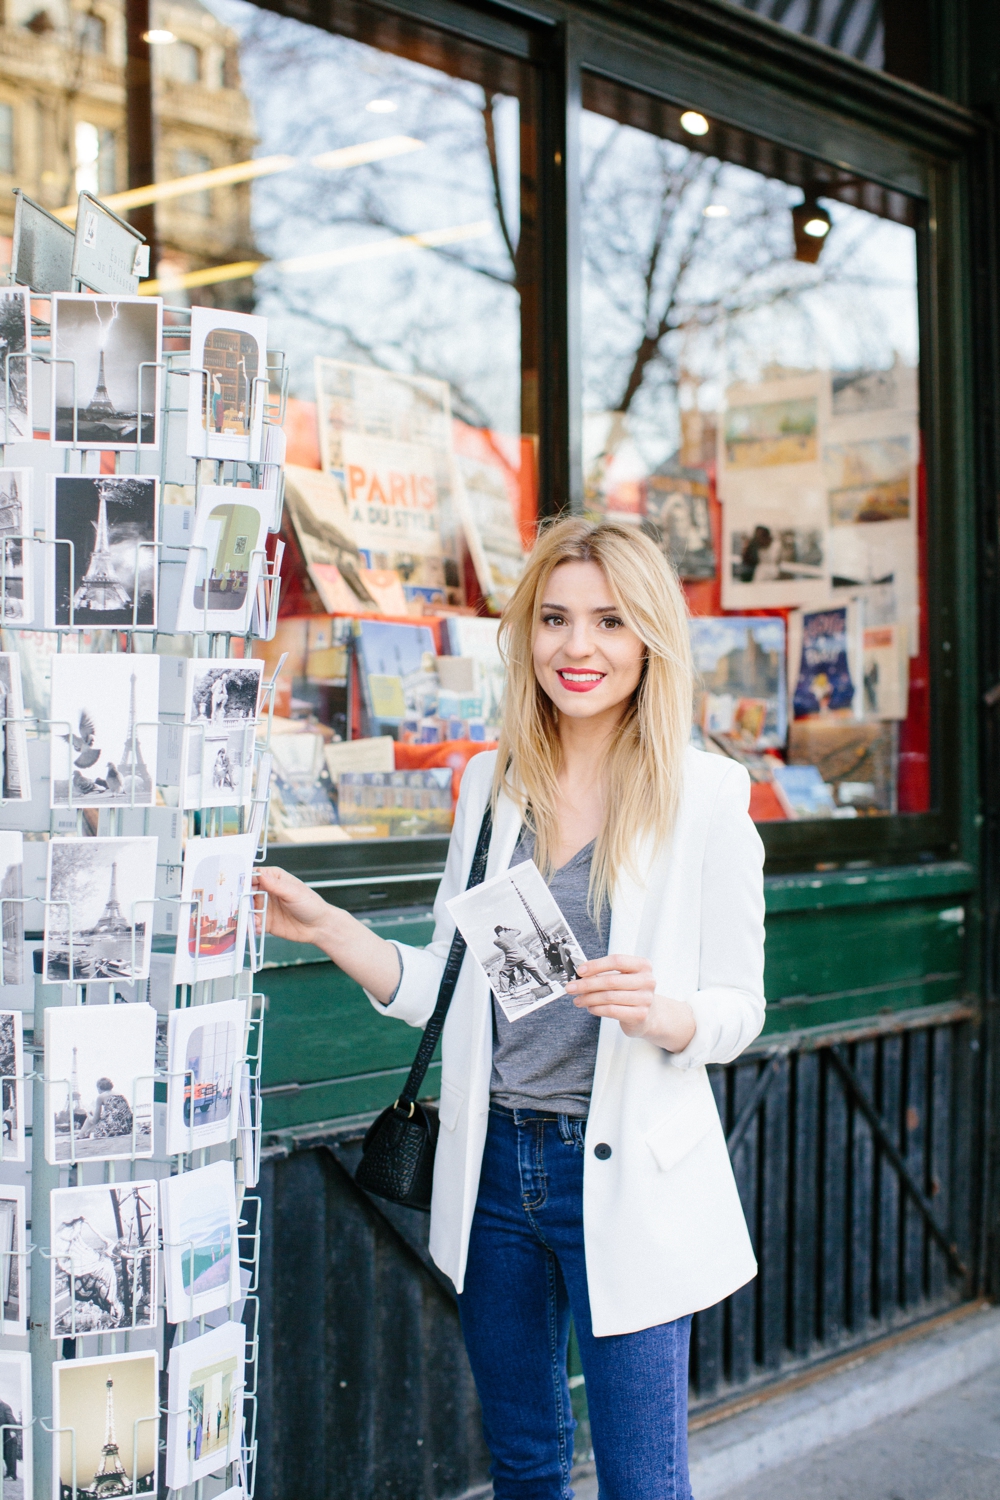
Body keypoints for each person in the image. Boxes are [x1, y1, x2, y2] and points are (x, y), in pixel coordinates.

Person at [253, 517, 765, 1500]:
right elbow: (441, 987)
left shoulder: (707, 795)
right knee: (525, 1465)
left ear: (650, 637)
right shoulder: (493, 785)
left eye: (610, 622)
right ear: (526, 631)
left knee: (641, 1479)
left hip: (626, 1178)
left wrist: (662, 1011)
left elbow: (738, 1008)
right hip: (494, 1172)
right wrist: (326, 926)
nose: (579, 648)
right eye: (556, 619)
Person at [491, 924, 549, 993]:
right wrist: (508, 928)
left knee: (503, 974)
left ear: (496, 933)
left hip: (511, 959)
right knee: (533, 969)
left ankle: (504, 991)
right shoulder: (510, 934)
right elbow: (518, 931)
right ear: (502, 929)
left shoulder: (496, 942)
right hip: (521, 955)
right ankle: (544, 981)